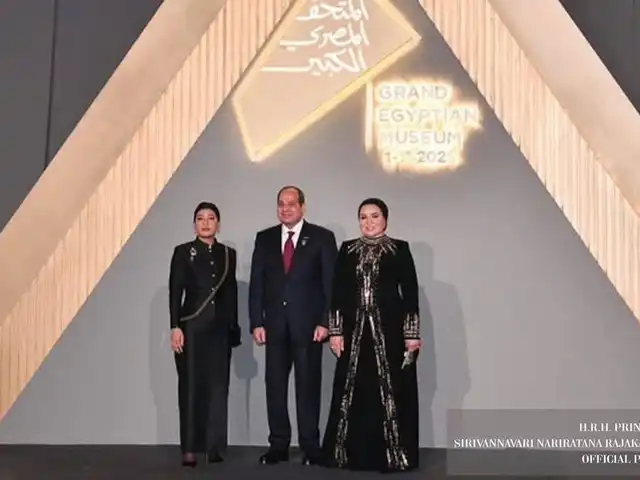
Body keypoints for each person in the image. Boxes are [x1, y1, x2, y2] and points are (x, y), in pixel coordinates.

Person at [321, 198, 422, 473]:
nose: (369, 222)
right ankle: (348, 454)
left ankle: (392, 456)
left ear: (385, 219)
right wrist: (336, 331)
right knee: (353, 389)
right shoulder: (347, 250)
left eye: (374, 216)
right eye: (363, 217)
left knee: (389, 389)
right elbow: (338, 292)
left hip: (389, 332)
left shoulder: (399, 249)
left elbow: (410, 294)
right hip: (354, 332)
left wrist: (411, 334)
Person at [249, 186, 338, 465]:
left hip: (310, 328)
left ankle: (311, 446)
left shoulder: (322, 238)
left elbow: (331, 285)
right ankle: (278, 445)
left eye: (291, 203)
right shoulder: (264, 238)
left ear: (302, 206)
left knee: (308, 387)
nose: (285, 208)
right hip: (274, 326)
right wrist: (256, 321)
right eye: (281, 204)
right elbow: (257, 283)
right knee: (274, 387)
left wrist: (326, 322)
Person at [168, 202, 241, 467]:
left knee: (218, 387)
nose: (206, 223)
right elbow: (175, 291)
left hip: (219, 330)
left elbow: (231, 293)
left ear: (218, 224)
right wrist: (175, 326)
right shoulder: (183, 252)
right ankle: (189, 448)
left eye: (211, 218)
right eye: (200, 218)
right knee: (189, 386)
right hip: (191, 327)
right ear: (194, 224)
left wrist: (233, 327)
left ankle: (213, 447)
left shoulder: (228, 254)